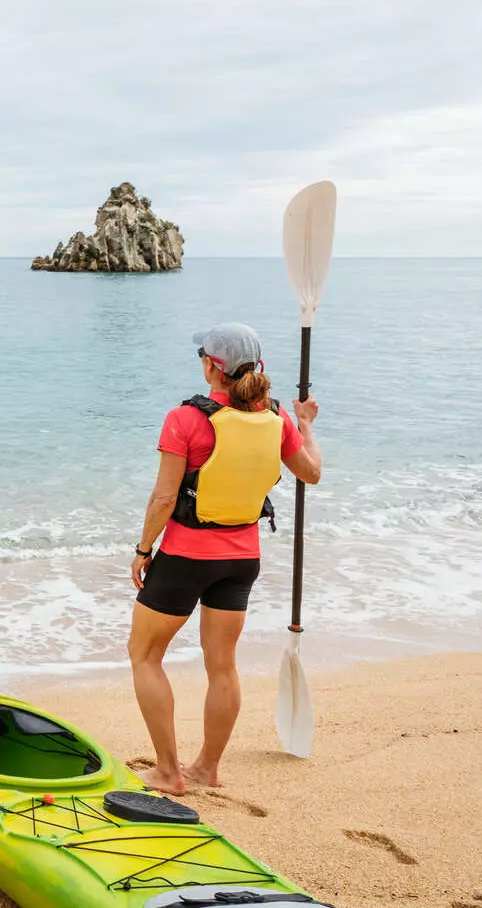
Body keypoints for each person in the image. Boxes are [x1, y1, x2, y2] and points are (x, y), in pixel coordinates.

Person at [128, 322, 321, 794]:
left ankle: (169, 772)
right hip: (241, 560)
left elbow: (163, 498)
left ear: (213, 365)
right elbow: (311, 473)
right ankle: (207, 769)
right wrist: (306, 424)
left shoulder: (185, 418)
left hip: (185, 557)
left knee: (146, 654)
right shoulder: (277, 419)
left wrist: (142, 548)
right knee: (222, 665)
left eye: (202, 354)